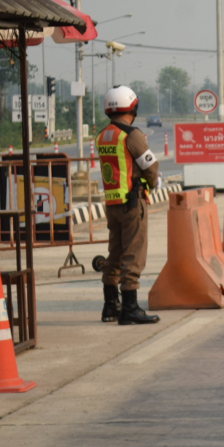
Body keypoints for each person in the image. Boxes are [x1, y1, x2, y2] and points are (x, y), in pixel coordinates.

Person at [96, 85, 160, 325]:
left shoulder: (102, 136)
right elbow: (151, 167)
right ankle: (130, 308)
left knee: (115, 254)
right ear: (133, 107)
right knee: (134, 254)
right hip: (132, 203)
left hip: (112, 204)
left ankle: (110, 306)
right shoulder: (131, 135)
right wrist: (150, 186)